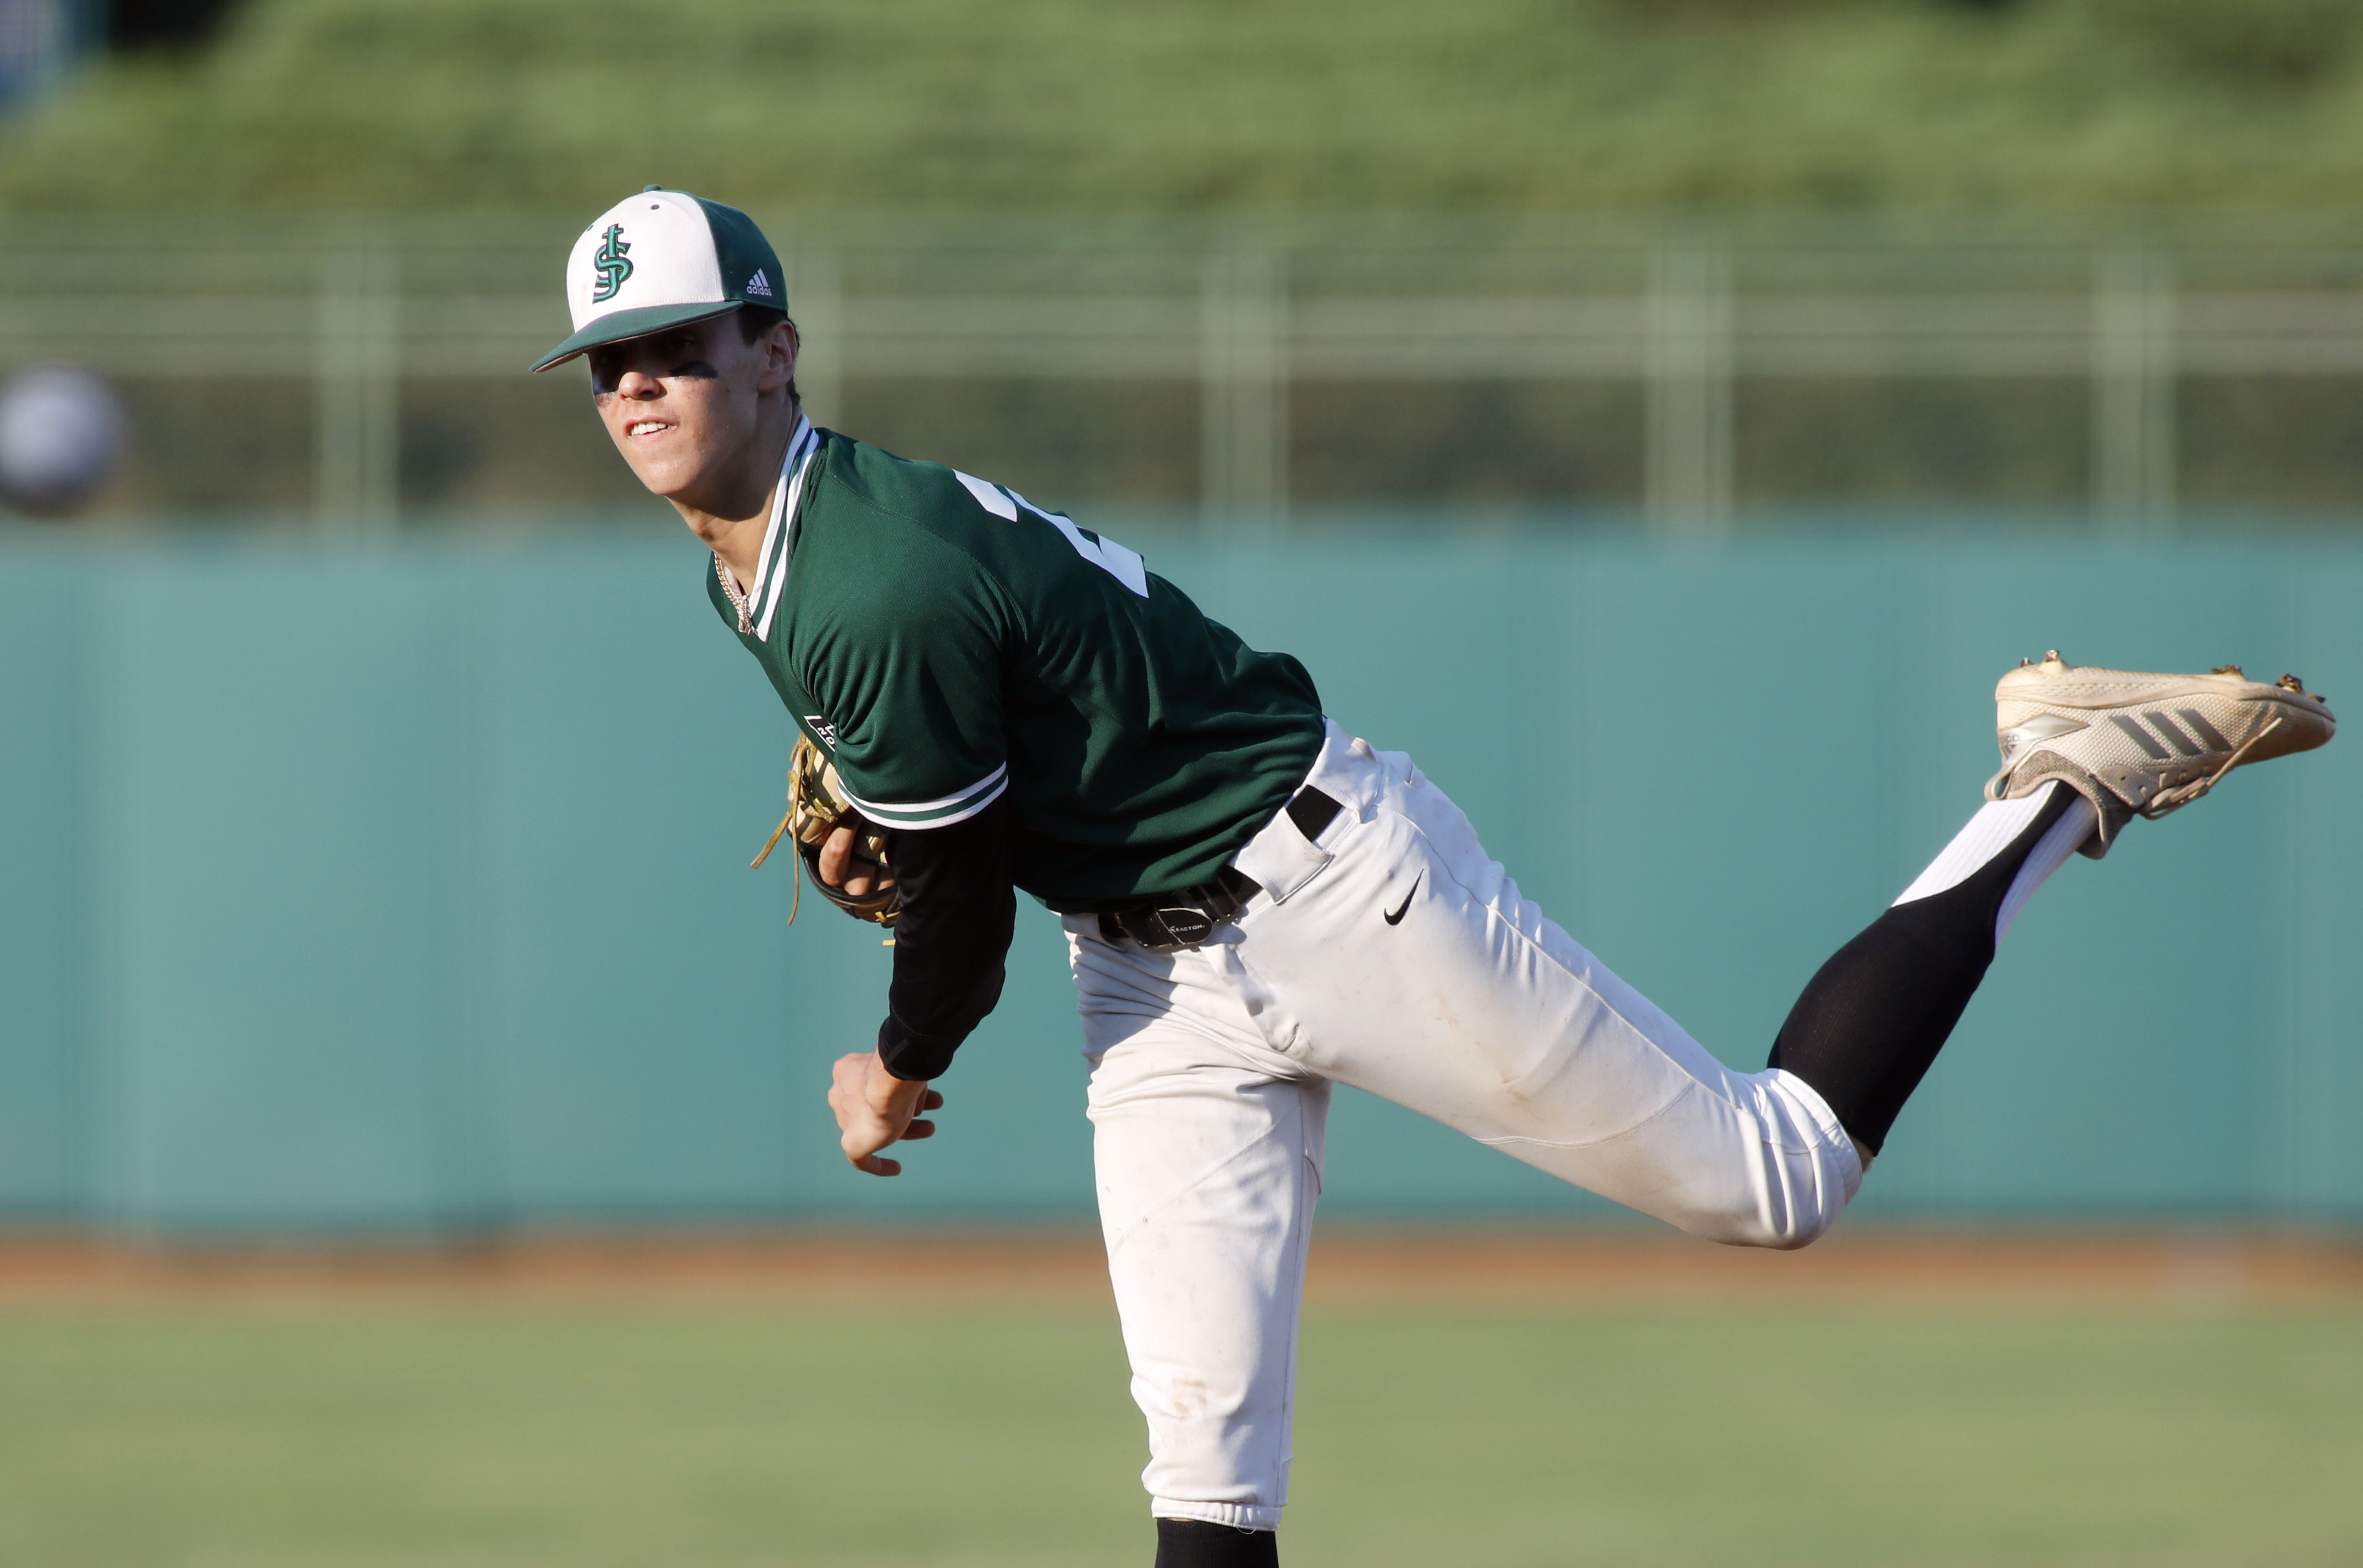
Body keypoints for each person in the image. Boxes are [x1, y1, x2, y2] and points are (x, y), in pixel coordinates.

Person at [533, 191, 2336, 1568]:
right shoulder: (763, 547)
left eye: (681, 347)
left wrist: (897, 1067)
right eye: (613, 364)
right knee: (1205, 1454)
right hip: (1154, 980)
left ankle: (2057, 780)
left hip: (1334, 889)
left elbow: (955, 910)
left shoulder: (865, 576)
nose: (641, 387)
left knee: (1774, 1177)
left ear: (777, 351)